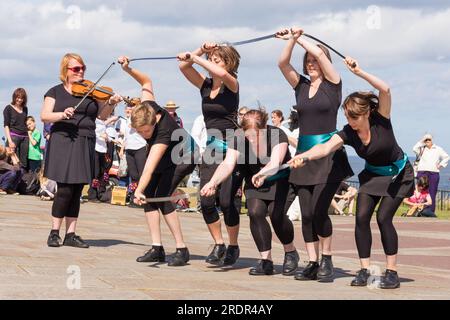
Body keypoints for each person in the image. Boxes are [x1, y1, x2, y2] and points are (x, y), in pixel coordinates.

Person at [290, 56, 414, 289]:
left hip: (397, 174)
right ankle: (365, 269)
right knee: (361, 218)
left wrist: (360, 72)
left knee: (383, 218)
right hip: (373, 175)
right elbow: (325, 147)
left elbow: (385, 89)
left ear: (366, 113)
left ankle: (391, 272)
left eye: (354, 117)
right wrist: (303, 156)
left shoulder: (381, 119)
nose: (350, 122)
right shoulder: (348, 132)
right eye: (347, 117)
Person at [277, 27, 353, 282]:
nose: (311, 64)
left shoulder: (333, 85)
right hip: (302, 156)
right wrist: (291, 41)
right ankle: (311, 261)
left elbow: (319, 53)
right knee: (307, 214)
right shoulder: (300, 86)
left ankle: (327, 258)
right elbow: (282, 63)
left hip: (328, 156)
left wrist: (300, 38)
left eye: (314, 61)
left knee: (320, 211)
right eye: (307, 62)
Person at [118, 56, 197, 266]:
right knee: (149, 195)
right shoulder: (147, 107)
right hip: (168, 156)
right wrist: (128, 69)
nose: (144, 135)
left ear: (154, 121)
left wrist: (137, 189)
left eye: (146, 131)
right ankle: (157, 248)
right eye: (139, 132)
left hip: (184, 156)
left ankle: (182, 249)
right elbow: (146, 82)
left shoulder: (162, 134)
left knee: (161, 197)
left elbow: (149, 168)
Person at [201, 109, 299, 275]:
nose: (251, 139)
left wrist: (263, 173)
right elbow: (228, 163)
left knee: (276, 215)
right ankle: (266, 260)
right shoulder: (238, 137)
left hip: (281, 180)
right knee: (254, 212)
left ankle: (290, 252)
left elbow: (275, 162)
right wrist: (213, 182)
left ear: (265, 128)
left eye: (256, 135)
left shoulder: (277, 134)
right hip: (255, 181)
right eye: (248, 136)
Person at [41, 53, 122, 249]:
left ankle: (71, 234)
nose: (81, 71)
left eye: (82, 68)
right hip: (64, 139)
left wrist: (111, 103)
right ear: (65, 71)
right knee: (65, 189)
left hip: (85, 139)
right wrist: (62, 114)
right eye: (76, 69)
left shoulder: (91, 92)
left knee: (77, 189)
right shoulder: (55, 92)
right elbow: (44, 116)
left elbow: (101, 116)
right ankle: (54, 232)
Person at [178, 42, 243, 266]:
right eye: (212, 59)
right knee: (206, 200)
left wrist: (198, 58)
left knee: (227, 202)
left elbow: (221, 73)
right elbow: (183, 67)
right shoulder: (205, 85)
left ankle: (233, 245)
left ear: (229, 62)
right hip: (212, 147)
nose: (213, 62)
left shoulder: (231, 83)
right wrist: (199, 50)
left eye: (217, 59)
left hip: (233, 144)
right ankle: (219, 243)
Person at [413, 134, 449, 215]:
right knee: (420, 191)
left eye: (429, 139)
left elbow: (446, 157)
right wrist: (421, 141)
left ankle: (430, 212)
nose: (427, 141)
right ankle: (418, 210)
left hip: (433, 172)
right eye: (426, 140)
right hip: (422, 171)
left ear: (432, 140)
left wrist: (441, 165)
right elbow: (414, 148)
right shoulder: (421, 149)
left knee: (432, 191)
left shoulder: (438, 149)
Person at [121, 100, 148, 207]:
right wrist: (122, 148)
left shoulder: (141, 117)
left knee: (142, 174)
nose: (129, 108)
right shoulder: (127, 120)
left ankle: (143, 197)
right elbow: (127, 136)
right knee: (133, 175)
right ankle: (134, 198)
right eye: (128, 106)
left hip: (140, 147)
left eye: (132, 106)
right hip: (129, 148)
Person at [3, 88, 29, 169]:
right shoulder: (8, 108)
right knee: (11, 161)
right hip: (13, 137)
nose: (19, 100)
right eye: (18, 97)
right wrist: (10, 141)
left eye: (22, 98)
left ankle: (23, 180)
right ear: (14, 97)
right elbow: (6, 125)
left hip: (25, 138)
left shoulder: (25, 109)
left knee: (24, 162)